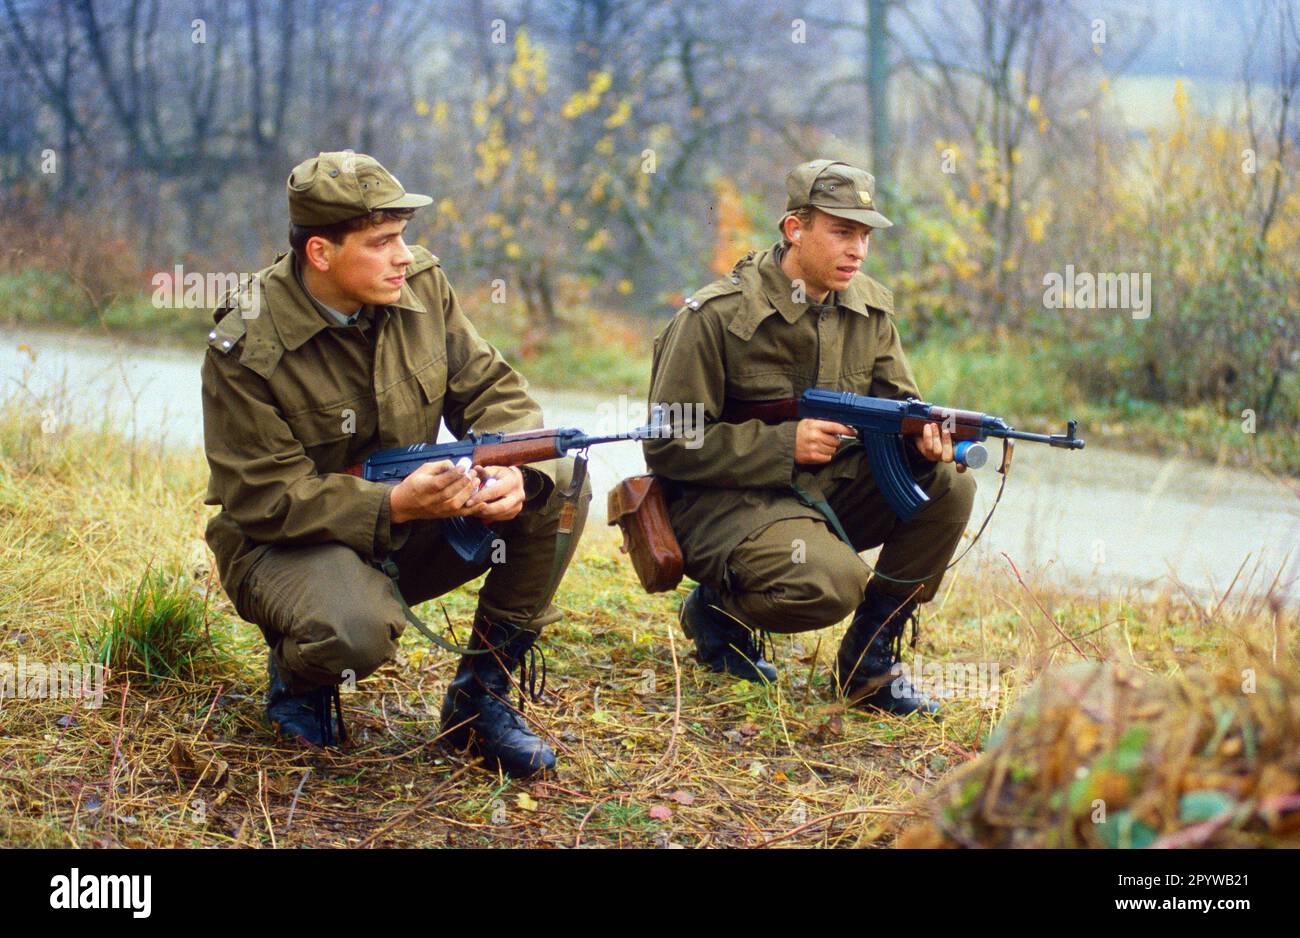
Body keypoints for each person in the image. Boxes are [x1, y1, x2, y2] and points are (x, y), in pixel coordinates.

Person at [201, 151, 589, 775]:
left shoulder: (421, 286)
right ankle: (304, 675)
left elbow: (492, 389)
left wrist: (511, 470)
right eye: (382, 242)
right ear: (320, 253)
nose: (404, 256)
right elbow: (263, 497)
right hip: (284, 544)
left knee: (557, 480)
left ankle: (479, 701)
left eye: (403, 237)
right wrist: (392, 505)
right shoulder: (248, 342)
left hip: (410, 519)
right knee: (351, 629)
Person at [643, 158, 975, 716]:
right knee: (829, 584)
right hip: (723, 501)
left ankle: (870, 662)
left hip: (819, 489)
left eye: (865, 235)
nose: (859, 251)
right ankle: (719, 610)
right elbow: (668, 442)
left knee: (947, 484)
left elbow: (898, 407)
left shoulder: (868, 309)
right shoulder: (716, 316)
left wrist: (925, 437)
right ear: (795, 229)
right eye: (842, 232)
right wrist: (781, 445)